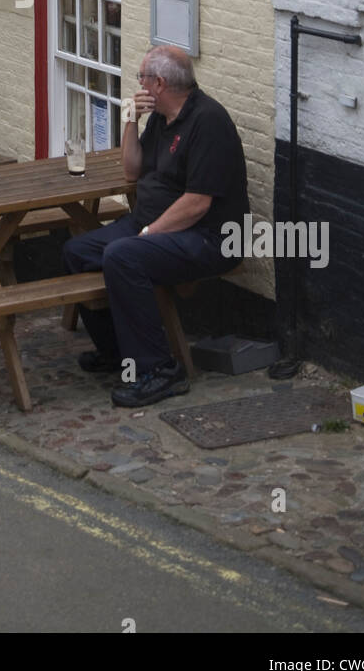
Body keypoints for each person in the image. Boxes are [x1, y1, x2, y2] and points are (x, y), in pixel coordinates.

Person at [62, 45, 249, 408]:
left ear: (159, 83)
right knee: (76, 251)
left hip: (209, 237)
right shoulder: (162, 119)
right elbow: (132, 170)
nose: (138, 83)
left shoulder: (207, 122)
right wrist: (130, 118)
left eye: (142, 78)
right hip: (152, 224)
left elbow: (198, 203)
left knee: (123, 256)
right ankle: (120, 355)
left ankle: (161, 370)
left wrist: (148, 234)